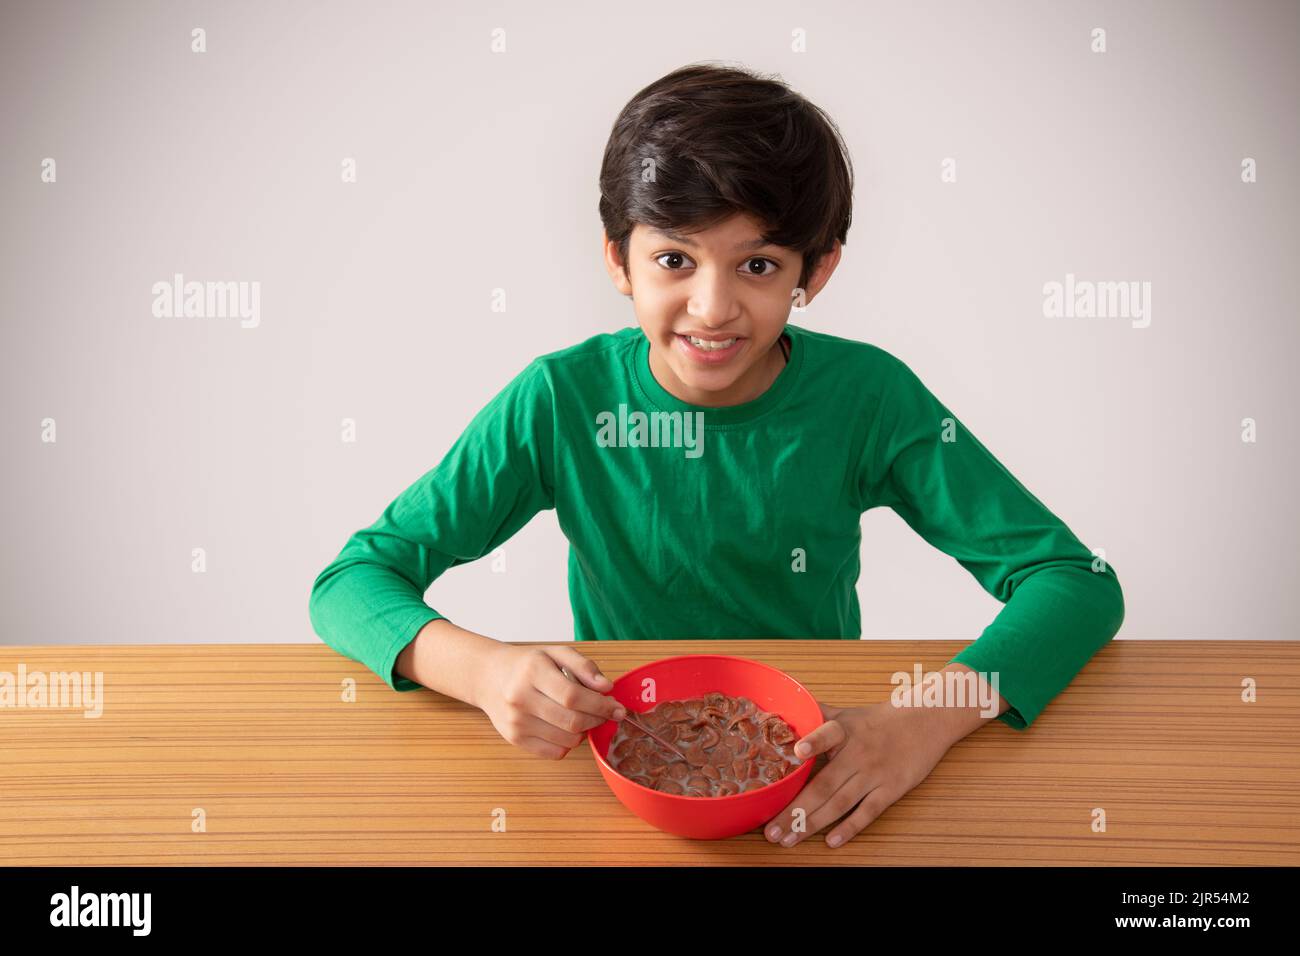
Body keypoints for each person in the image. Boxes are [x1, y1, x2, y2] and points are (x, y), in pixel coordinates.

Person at [309, 62, 1125, 850]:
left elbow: (1074, 585)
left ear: (818, 270)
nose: (713, 307)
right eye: (674, 259)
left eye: (758, 265)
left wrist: (928, 718)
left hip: (816, 781)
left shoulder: (867, 398)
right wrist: (484, 673)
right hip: (617, 789)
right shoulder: (561, 401)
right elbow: (351, 583)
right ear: (615, 257)